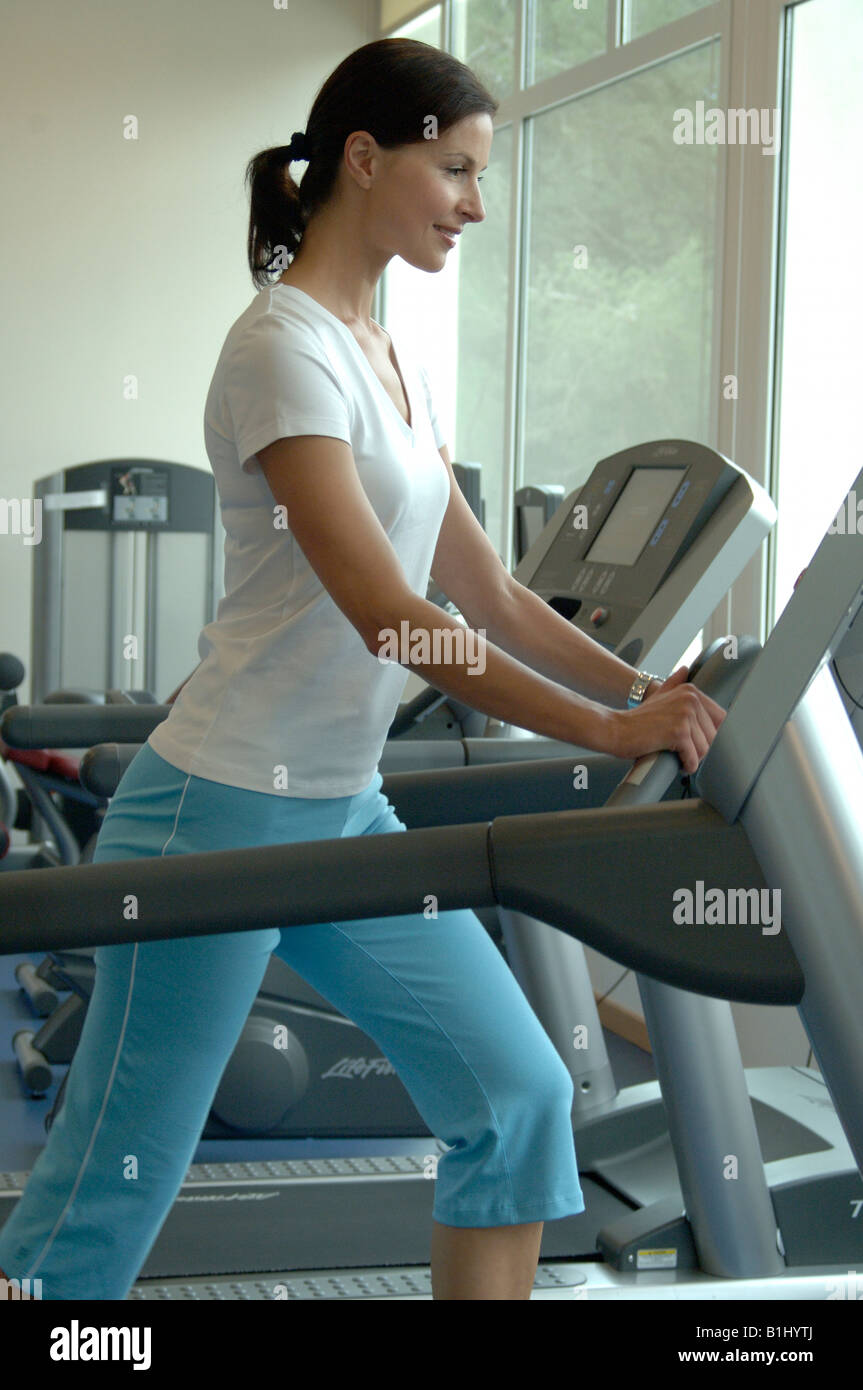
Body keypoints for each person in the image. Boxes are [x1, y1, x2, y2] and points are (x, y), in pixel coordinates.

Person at [0, 37, 723, 1302]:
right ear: (361, 157)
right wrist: (604, 736)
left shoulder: (384, 353)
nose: (476, 204)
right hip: (213, 816)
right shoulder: (278, 348)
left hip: (340, 804)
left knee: (516, 1097)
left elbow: (487, 590)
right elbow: (393, 613)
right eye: (453, 169)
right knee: (105, 1199)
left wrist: (638, 691)